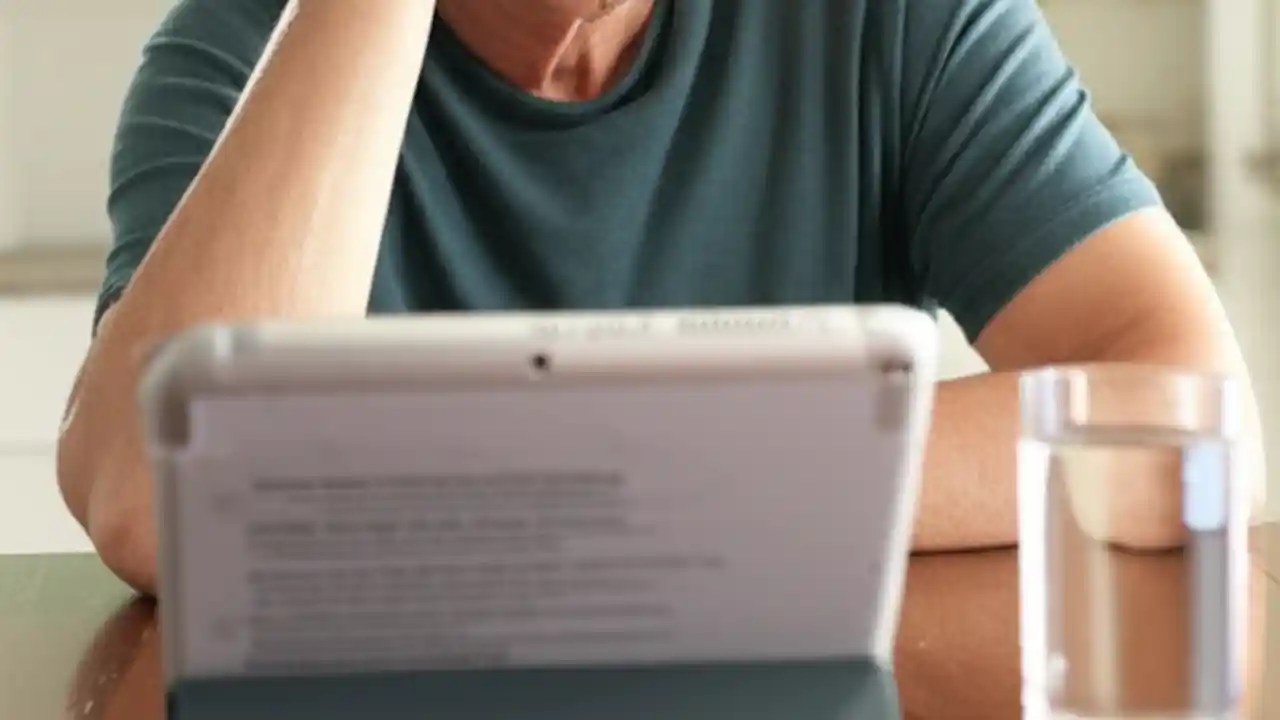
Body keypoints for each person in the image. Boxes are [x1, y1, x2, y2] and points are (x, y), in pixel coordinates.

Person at [56, 0, 1262, 595]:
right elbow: (161, 508)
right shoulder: (244, 50)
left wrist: (552, 480)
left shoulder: (897, 22)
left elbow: (1186, 423)